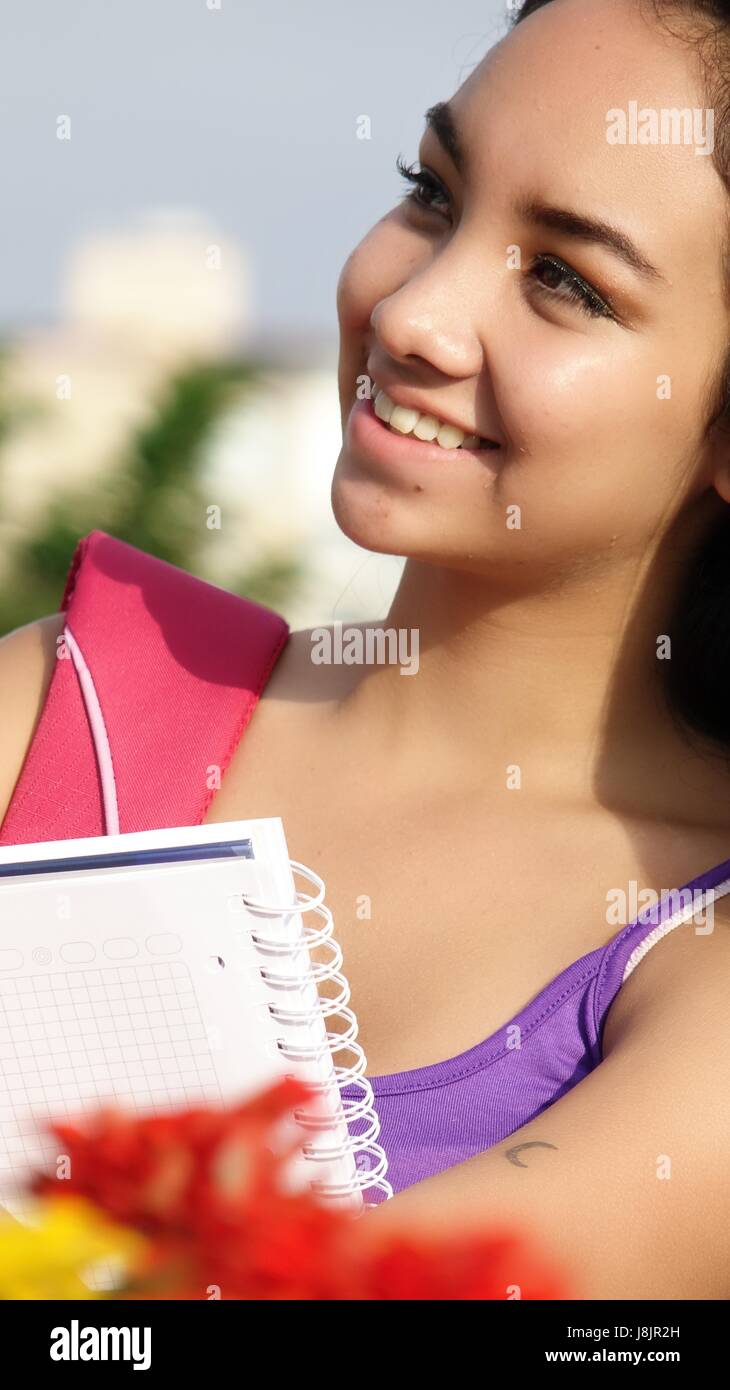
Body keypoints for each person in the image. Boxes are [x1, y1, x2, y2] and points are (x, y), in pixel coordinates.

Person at [2, 0, 730, 1297]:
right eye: (431, 193)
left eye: (566, 279)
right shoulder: (67, 706)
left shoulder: (695, 968)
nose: (413, 310)